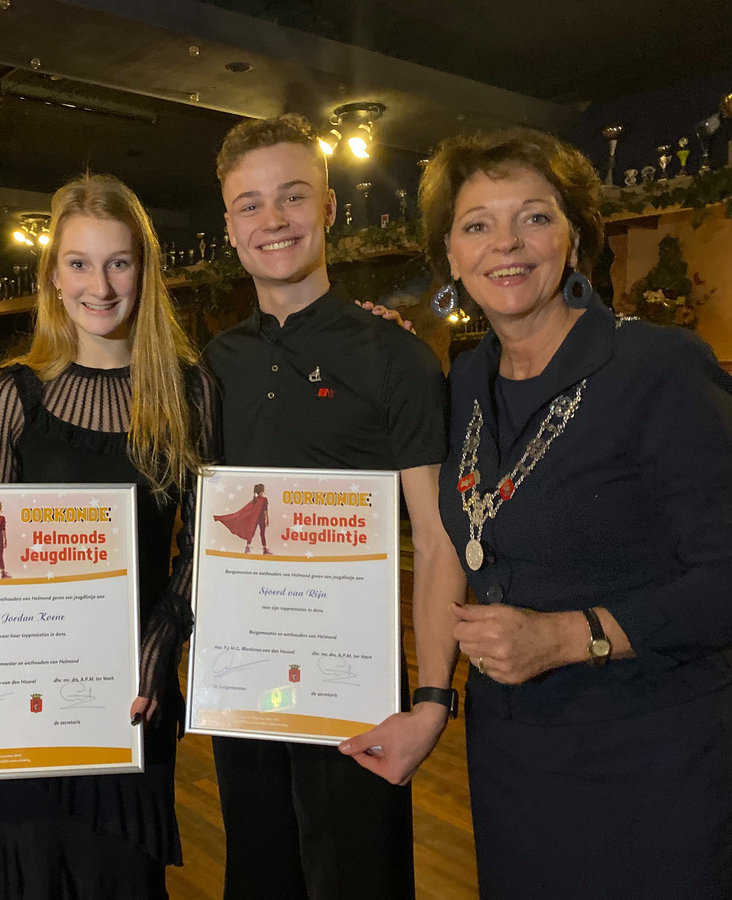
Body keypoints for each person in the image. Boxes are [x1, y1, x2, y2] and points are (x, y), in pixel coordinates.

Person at [412, 126, 732, 899]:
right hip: (514, 757)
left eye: (534, 216)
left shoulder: (657, 367)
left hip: (655, 761)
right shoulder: (464, 380)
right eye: (476, 225)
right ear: (453, 258)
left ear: (574, 238)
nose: (507, 243)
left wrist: (573, 634)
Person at [0, 173, 220, 899]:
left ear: (144, 269)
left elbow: (201, 547)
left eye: (119, 262)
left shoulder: (189, 390)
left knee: (118, 874)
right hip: (28, 696)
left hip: (132, 700)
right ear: (53, 277)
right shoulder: (15, 395)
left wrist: (156, 651)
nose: (101, 285)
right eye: (79, 263)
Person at [203, 113, 468, 900]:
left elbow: (438, 539)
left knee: (359, 879)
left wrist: (431, 698)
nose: (272, 219)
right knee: (258, 875)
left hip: (354, 685)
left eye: (292, 196)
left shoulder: (397, 358)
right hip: (242, 680)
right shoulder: (214, 366)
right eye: (250, 204)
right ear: (228, 226)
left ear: (328, 208)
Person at [212, 482, 271, 553]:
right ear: (262, 491)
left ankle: (248, 547)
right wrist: (268, 519)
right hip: (261, 519)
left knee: (251, 533)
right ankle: (264, 549)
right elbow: (265, 510)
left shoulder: (255, 500)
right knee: (262, 534)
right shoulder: (264, 499)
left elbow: (247, 510)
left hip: (254, 520)